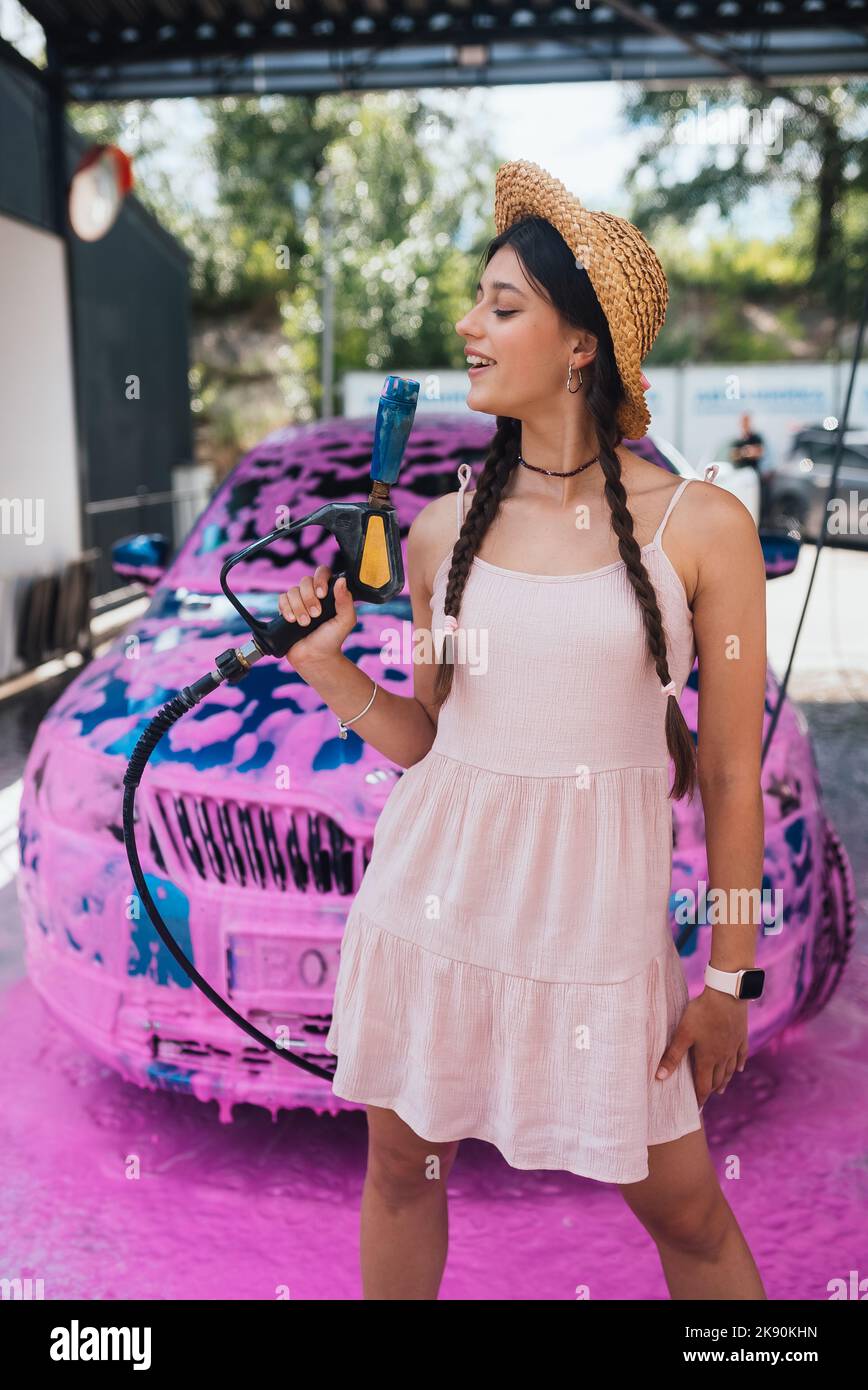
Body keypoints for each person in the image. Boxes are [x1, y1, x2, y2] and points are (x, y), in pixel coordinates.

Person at [279, 160, 768, 1301]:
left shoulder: (706, 527)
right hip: (430, 918)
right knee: (403, 1174)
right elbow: (430, 743)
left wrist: (729, 978)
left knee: (690, 1218)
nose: (469, 324)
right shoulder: (440, 529)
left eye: (503, 305)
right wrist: (322, 666)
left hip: (600, 951)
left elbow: (734, 772)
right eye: (478, 302)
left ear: (583, 343)